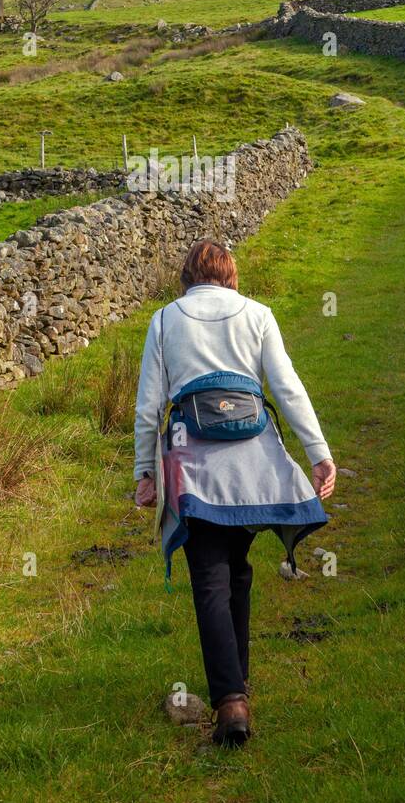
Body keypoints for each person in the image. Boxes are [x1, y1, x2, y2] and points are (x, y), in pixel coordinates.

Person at [134, 239, 336, 746]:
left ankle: (230, 701)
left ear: (187, 277)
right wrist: (318, 452)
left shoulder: (164, 321)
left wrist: (145, 471)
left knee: (209, 574)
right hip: (252, 464)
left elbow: (148, 407)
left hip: (192, 463)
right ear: (231, 276)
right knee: (238, 568)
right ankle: (236, 688)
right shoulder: (259, 315)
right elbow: (287, 387)